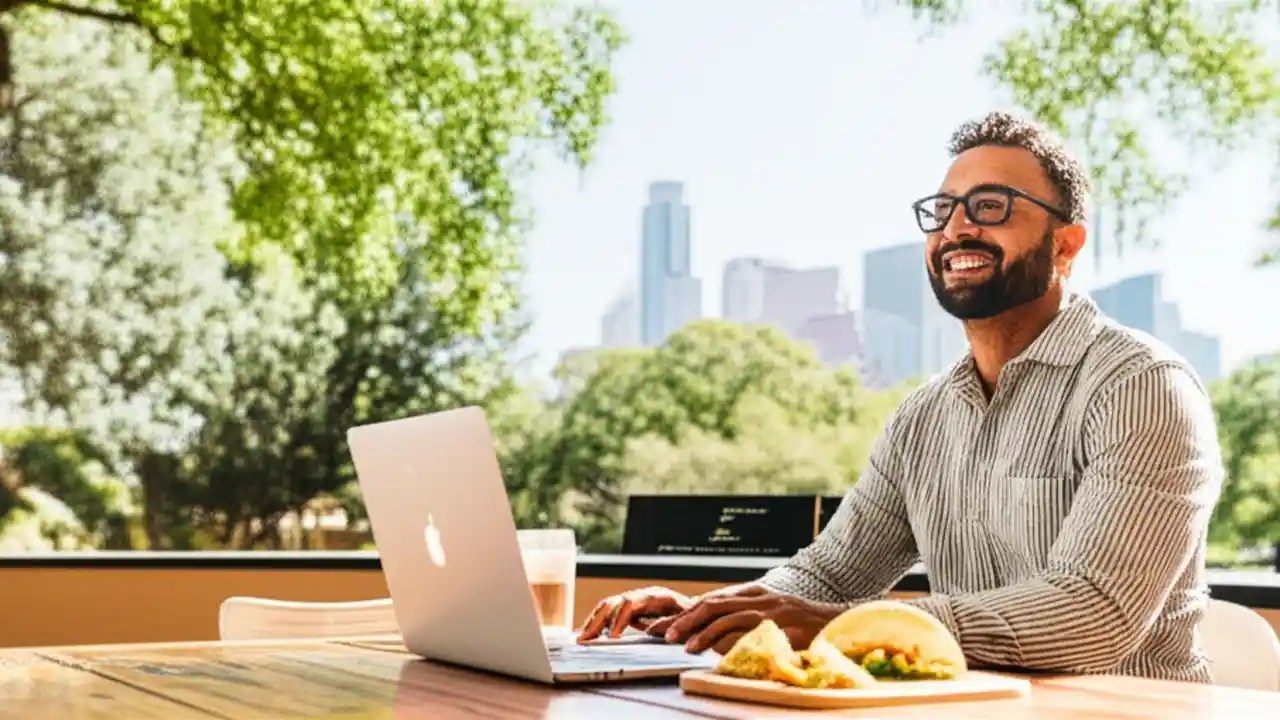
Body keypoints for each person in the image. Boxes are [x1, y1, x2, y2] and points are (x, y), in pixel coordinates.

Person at [577, 110, 1224, 683]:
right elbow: (825, 578)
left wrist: (845, 627)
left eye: (991, 206)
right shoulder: (923, 419)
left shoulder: (1141, 387)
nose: (957, 229)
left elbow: (1091, 615)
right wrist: (708, 616)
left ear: (1066, 244)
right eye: (943, 211)